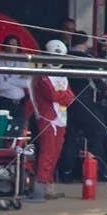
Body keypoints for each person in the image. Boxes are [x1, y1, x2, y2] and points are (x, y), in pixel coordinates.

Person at [31, 39, 75, 199]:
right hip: (47, 118)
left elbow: (71, 97)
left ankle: (49, 186)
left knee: (55, 153)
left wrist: (61, 95)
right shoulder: (42, 75)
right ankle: (39, 189)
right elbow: (52, 95)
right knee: (47, 153)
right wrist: (62, 95)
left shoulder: (63, 76)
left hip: (61, 118)